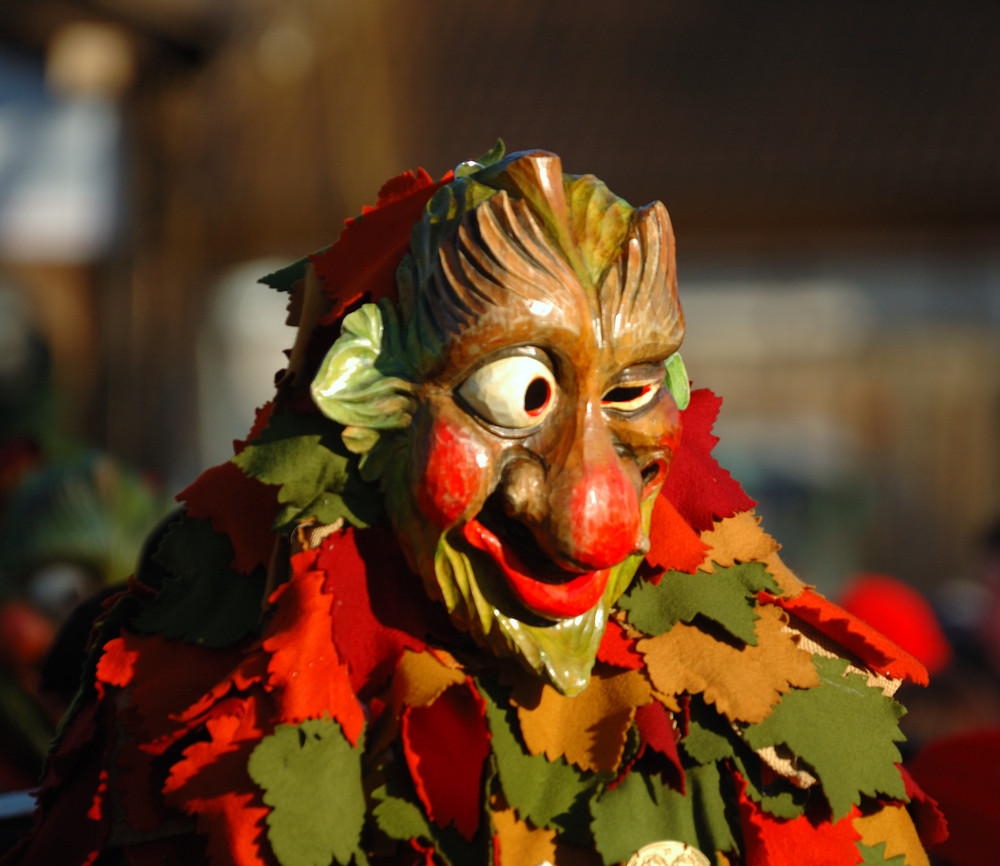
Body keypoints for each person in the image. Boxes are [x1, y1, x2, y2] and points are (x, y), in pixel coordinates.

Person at [3, 145, 943, 866]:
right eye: (518, 398)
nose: (596, 515)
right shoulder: (197, 722)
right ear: (367, 397)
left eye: (630, 394)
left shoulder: (765, 723)